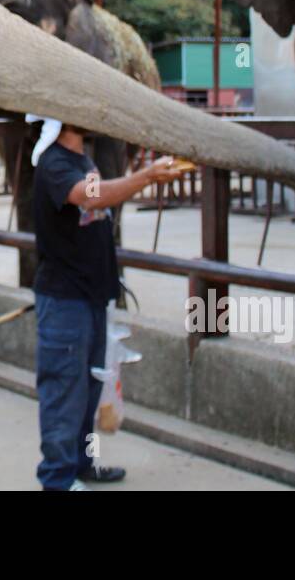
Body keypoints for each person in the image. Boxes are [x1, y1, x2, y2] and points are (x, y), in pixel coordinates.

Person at [31, 121, 184, 490]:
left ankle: (81, 464)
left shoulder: (83, 159)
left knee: (88, 390)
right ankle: (56, 479)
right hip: (65, 299)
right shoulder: (53, 164)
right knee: (64, 391)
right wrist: (145, 176)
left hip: (93, 296)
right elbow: (92, 195)